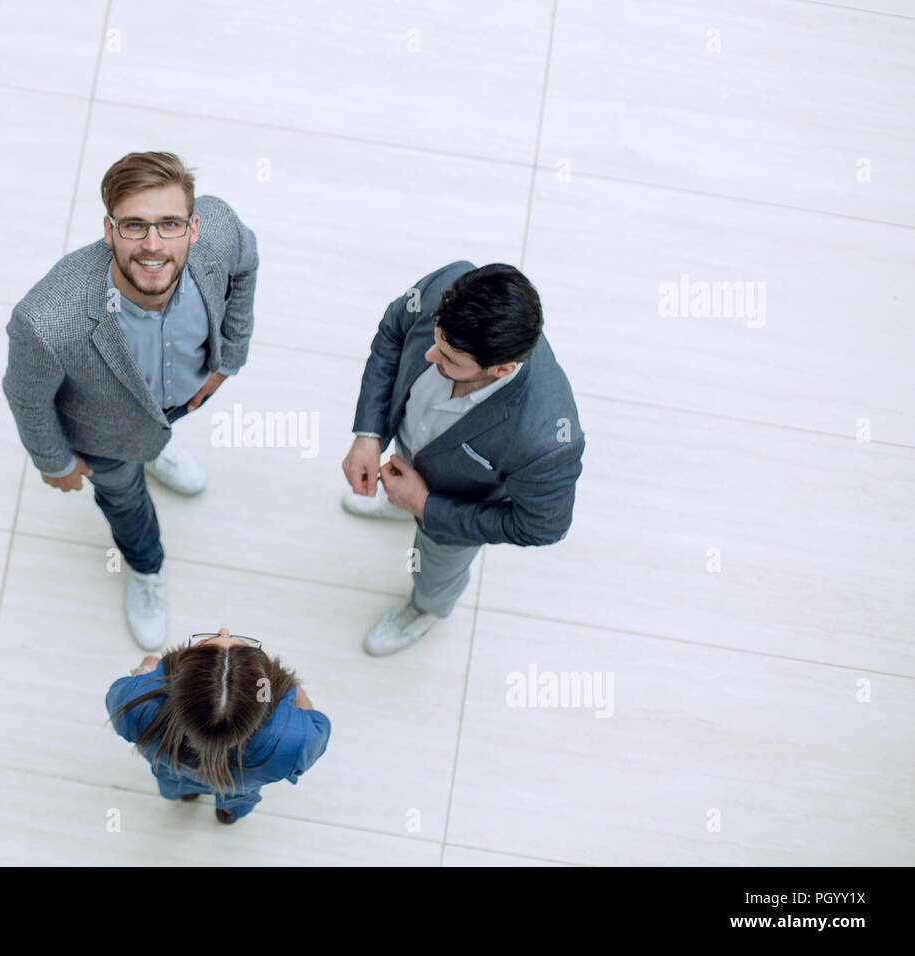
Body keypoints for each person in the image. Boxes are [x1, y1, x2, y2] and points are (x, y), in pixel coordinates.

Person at [2, 152, 258, 649]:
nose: (153, 245)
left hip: (182, 400)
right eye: (134, 226)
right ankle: (146, 569)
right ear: (109, 230)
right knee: (124, 502)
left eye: (169, 224)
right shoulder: (48, 318)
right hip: (101, 436)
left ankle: (157, 445)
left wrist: (230, 357)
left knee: (161, 425)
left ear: (195, 227)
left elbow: (247, 266)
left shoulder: (222, 230)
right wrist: (54, 462)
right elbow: (26, 397)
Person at [341, 261, 585, 656]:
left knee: (434, 575)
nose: (429, 353)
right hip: (408, 451)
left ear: (502, 368)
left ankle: (426, 609)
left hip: (454, 516)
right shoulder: (449, 287)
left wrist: (425, 505)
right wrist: (368, 435)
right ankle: (399, 504)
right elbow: (394, 330)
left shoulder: (545, 442)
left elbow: (542, 528)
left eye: (449, 358)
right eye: (437, 337)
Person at [106, 628, 331, 824]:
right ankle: (227, 812)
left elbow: (128, 687)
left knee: (174, 783)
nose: (224, 630)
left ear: (177, 683)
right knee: (238, 799)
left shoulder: (135, 705)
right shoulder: (295, 739)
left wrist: (147, 669)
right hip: (240, 787)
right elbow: (317, 722)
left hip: (172, 773)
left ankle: (187, 795)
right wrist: (294, 688)